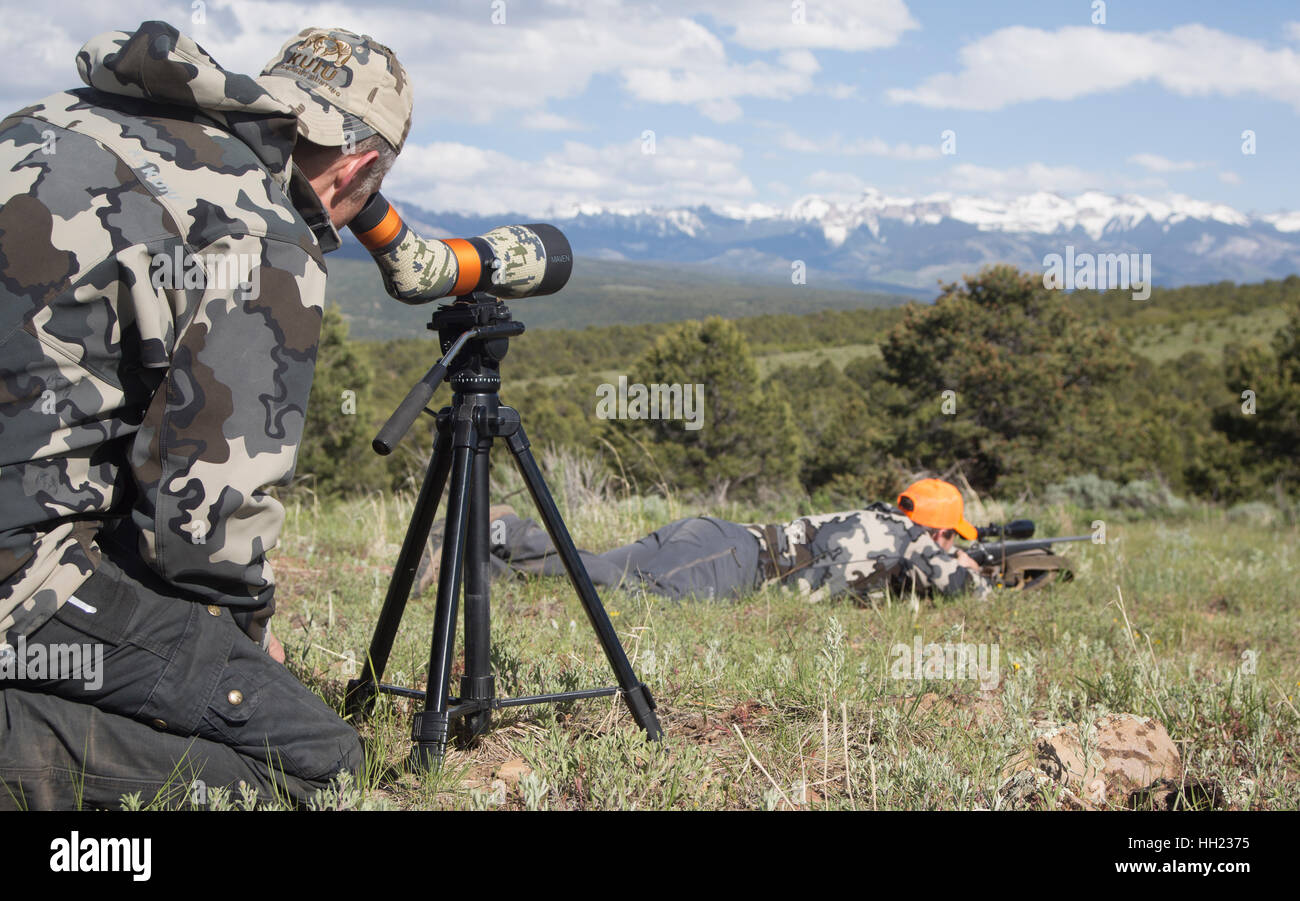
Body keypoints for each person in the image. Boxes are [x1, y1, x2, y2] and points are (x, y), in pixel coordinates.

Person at [0, 21, 412, 809]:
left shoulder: (54, 119)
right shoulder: (259, 226)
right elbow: (202, 532)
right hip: (19, 583)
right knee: (316, 763)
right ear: (358, 169)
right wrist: (241, 643)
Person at [422, 478, 991, 605]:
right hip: (737, 562)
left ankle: (481, 546)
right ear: (937, 530)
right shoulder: (910, 538)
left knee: (591, 566)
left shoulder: (880, 522)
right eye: (948, 537)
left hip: (713, 536)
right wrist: (968, 565)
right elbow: (964, 589)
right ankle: (501, 535)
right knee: (623, 588)